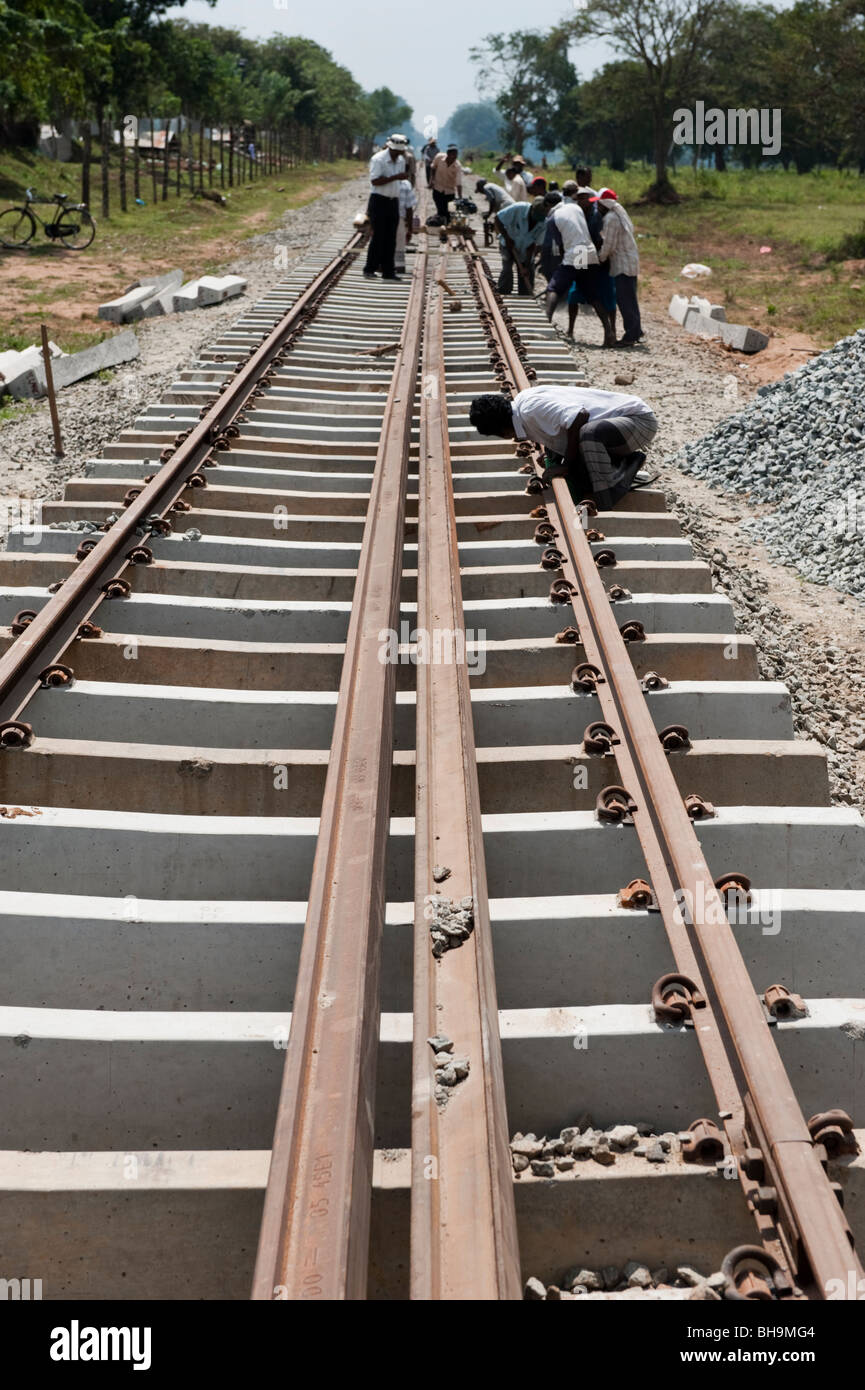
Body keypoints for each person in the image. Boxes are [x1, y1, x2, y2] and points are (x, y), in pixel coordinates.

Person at [468, 386, 658, 510]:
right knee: (578, 453)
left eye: (501, 434)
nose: (509, 438)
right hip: (615, 433)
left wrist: (565, 464)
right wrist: (555, 455)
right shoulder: (523, 407)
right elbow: (561, 429)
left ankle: (607, 496)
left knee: (587, 433)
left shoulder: (531, 408)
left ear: (502, 428)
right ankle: (621, 464)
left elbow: (579, 416)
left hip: (638, 422)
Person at [542, 192, 617, 347]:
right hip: (588, 252)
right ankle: (609, 332)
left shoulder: (552, 219)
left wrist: (564, 264)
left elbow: (561, 245)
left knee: (554, 287)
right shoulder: (574, 208)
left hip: (576, 254)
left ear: (548, 206)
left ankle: (545, 324)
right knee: (591, 294)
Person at [595, 187, 644, 345]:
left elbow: (609, 244)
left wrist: (599, 258)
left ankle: (630, 335)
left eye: (598, 205)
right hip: (629, 262)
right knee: (630, 298)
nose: (597, 208)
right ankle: (636, 330)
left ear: (604, 204)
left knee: (624, 300)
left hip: (622, 264)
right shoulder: (618, 214)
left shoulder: (611, 218)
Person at [364, 134, 408, 280]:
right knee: (378, 236)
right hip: (378, 201)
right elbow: (375, 181)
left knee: (391, 237)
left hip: (392, 201)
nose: (398, 153)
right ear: (390, 147)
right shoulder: (378, 159)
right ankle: (370, 268)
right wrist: (395, 177)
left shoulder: (401, 160)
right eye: (396, 151)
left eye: (400, 151)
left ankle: (388, 271)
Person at [495, 196, 546, 296]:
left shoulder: (544, 222)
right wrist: (507, 237)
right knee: (507, 269)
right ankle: (504, 292)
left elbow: (534, 245)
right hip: (508, 245)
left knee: (527, 273)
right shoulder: (518, 208)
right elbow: (498, 219)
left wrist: (526, 265)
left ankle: (525, 294)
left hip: (525, 249)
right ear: (532, 209)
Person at [430, 144, 463, 221]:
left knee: (450, 214)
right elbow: (433, 167)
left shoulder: (457, 166)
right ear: (448, 154)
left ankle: (446, 229)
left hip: (450, 193)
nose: (455, 157)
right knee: (441, 212)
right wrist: (432, 180)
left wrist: (460, 196)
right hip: (438, 190)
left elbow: (459, 183)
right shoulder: (439, 157)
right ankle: (441, 230)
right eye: (453, 155)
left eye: (456, 155)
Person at [395, 176, 418, 273]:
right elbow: (409, 208)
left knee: (384, 243)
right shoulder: (405, 184)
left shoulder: (382, 183)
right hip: (399, 219)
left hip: (384, 218)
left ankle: (382, 265)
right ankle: (400, 266)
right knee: (400, 244)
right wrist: (410, 228)